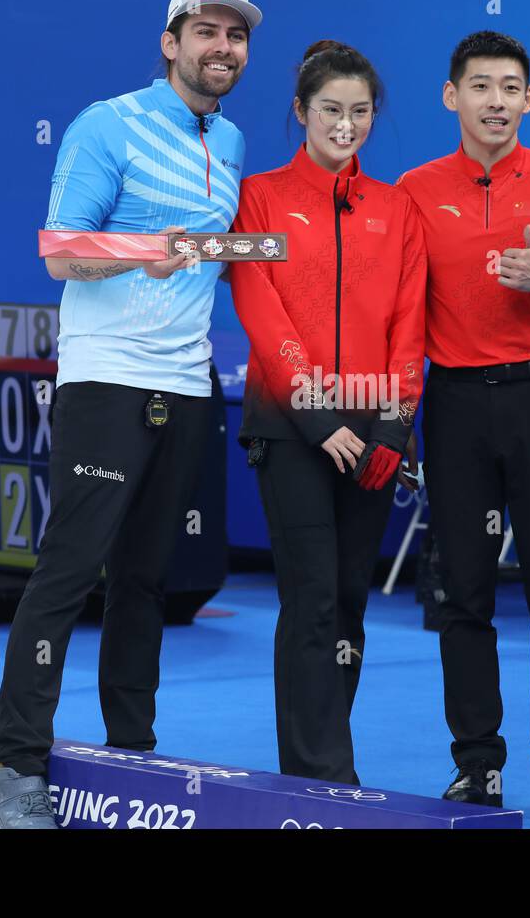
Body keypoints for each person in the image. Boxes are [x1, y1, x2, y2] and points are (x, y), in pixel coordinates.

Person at [0, 0, 261, 829]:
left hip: (187, 383)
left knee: (147, 579)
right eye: (204, 31)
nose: (221, 47)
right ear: (170, 43)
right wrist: (147, 249)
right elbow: (61, 253)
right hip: (106, 378)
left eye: (235, 35)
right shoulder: (109, 124)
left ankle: (132, 756)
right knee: (70, 570)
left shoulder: (234, 141)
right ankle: (11, 762)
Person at [397, 31, 530, 824]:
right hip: (454, 403)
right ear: (451, 96)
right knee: (464, 594)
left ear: (529, 100)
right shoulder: (413, 190)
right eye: (481, 86)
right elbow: (396, 307)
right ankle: (477, 766)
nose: (496, 100)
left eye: (511, 87)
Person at [229, 41, 426, 786]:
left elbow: (411, 323)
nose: (346, 125)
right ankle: (323, 776)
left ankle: (321, 763)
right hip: (291, 428)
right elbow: (258, 304)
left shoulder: (398, 208)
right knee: (310, 598)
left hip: (373, 430)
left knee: (347, 604)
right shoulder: (260, 198)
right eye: (331, 111)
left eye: (360, 112)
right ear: (302, 113)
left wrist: (390, 428)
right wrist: (320, 417)